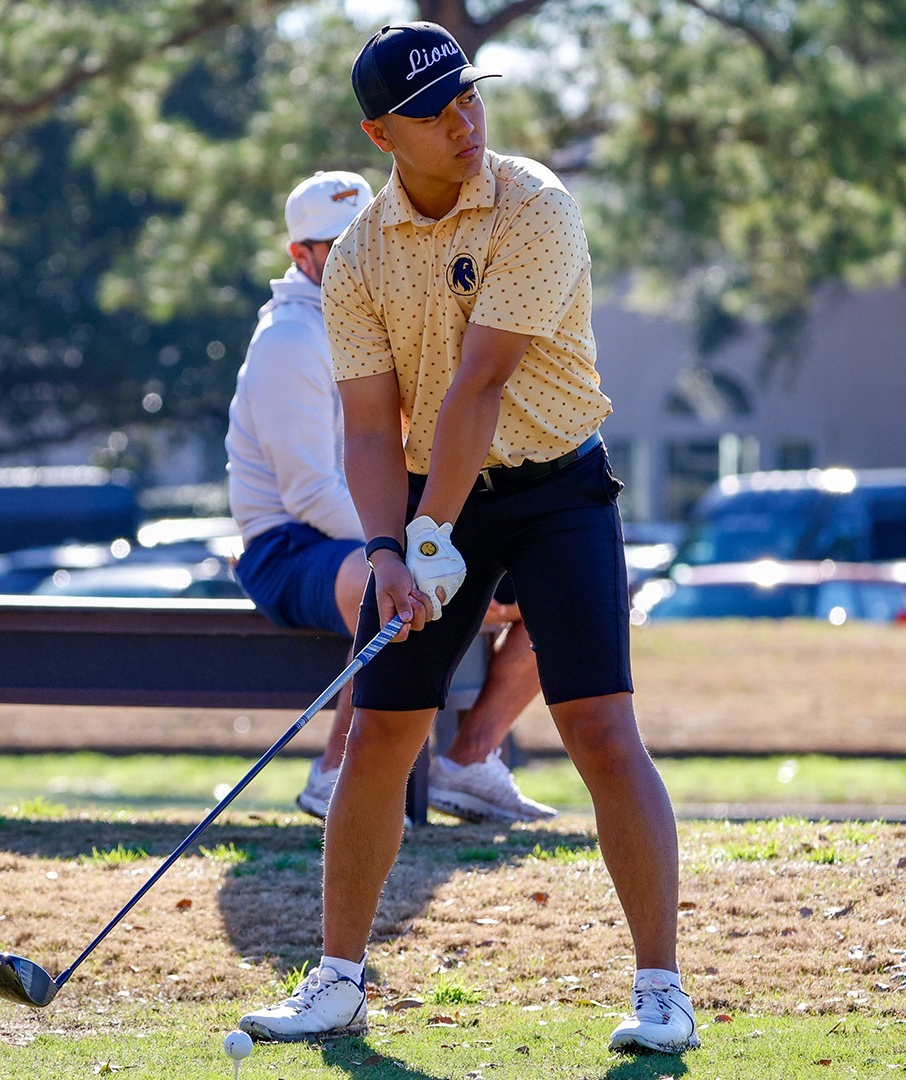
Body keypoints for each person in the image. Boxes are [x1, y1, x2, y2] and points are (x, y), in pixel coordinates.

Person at [238, 23, 696, 1055]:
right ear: (379, 133)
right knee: (378, 736)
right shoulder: (357, 261)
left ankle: (662, 989)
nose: (464, 121)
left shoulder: (534, 204)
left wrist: (429, 539)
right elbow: (368, 425)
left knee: (600, 732)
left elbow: (480, 389)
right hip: (428, 493)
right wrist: (388, 552)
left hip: (556, 492)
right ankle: (340, 980)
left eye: (469, 96)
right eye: (435, 111)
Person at [225, 169, 557, 826]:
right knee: (399, 590)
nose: (358, 255)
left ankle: (469, 760)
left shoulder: (383, 318)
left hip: (375, 535)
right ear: (302, 256)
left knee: (553, 590)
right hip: (291, 548)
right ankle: (335, 774)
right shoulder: (291, 340)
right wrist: (403, 554)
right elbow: (313, 494)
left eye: (365, 236)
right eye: (337, 243)